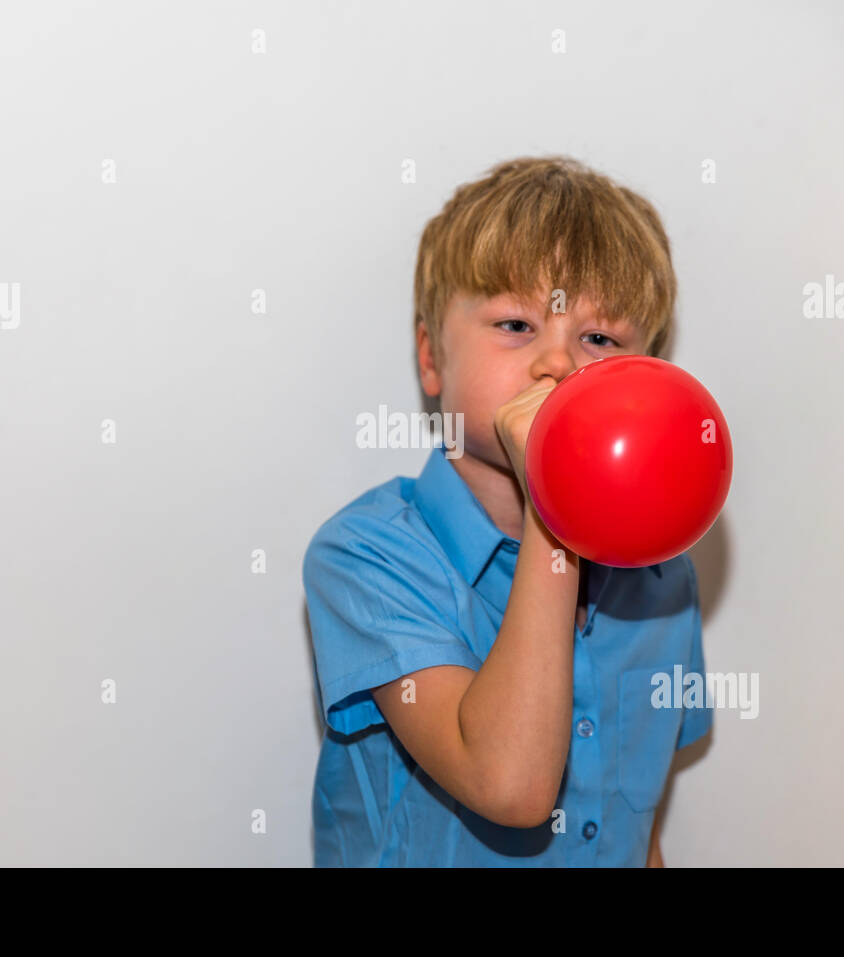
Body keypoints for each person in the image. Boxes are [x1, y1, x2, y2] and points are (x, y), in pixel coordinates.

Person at [302, 155, 713, 866]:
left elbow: (635, 829)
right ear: (431, 359)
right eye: (518, 324)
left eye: (600, 339)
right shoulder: (367, 555)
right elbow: (511, 784)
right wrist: (557, 501)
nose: (557, 364)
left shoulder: (661, 581)